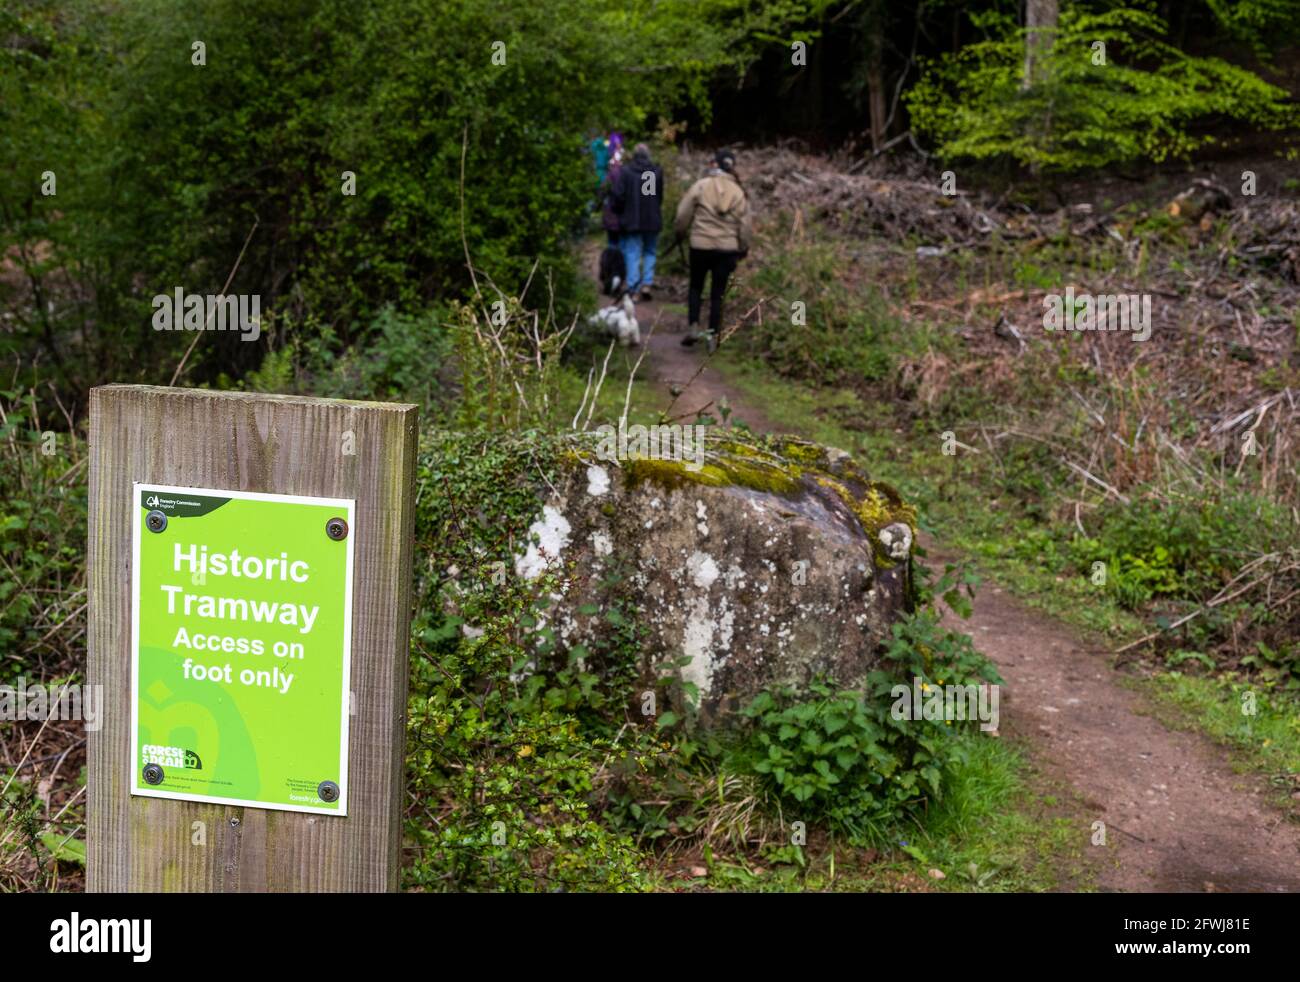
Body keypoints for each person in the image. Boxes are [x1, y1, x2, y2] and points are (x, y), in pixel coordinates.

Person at [674, 148, 751, 352]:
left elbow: (683, 214)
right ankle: (712, 336)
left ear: (715, 164)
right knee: (718, 294)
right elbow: (745, 226)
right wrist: (742, 248)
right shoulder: (739, 192)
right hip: (726, 250)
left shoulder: (701, 186)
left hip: (700, 245)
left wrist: (680, 234)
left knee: (696, 287)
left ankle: (693, 327)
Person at [613, 142, 663, 301]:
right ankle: (647, 283)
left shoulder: (626, 172)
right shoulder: (656, 172)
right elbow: (658, 196)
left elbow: (619, 196)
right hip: (652, 219)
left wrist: (619, 212)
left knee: (632, 253)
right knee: (650, 251)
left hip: (632, 220)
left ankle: (633, 287)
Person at [599, 146, 624, 247]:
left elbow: (602, 191)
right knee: (623, 243)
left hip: (611, 215)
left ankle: (612, 261)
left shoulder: (609, 175)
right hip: (625, 217)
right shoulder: (628, 174)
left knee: (612, 242)